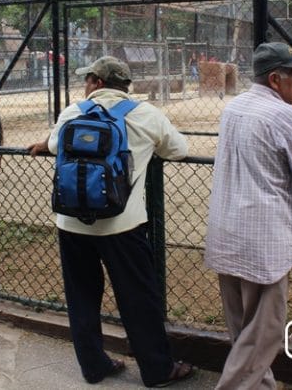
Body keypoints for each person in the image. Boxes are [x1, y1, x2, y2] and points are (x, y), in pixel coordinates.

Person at [27, 56, 196, 387]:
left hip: (71, 223)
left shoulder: (72, 113)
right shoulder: (145, 115)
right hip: (122, 226)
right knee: (138, 297)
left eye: (87, 79)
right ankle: (157, 369)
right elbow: (179, 149)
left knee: (82, 296)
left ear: (97, 83)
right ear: (126, 86)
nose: (84, 85)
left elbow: (51, 144)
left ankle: (94, 365)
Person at [205, 42, 292, 389]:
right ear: (276, 79)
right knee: (264, 334)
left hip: (229, 231)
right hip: (263, 239)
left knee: (244, 333)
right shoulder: (284, 115)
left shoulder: (235, 108)